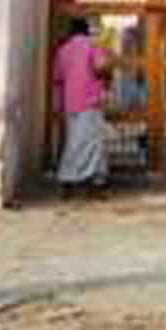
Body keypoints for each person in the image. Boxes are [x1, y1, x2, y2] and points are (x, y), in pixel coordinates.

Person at [53, 18, 113, 198]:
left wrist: (57, 104)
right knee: (92, 144)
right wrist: (108, 75)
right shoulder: (91, 46)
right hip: (89, 102)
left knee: (74, 141)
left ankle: (70, 182)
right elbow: (101, 67)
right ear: (86, 30)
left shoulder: (63, 50)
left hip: (70, 103)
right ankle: (91, 183)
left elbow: (58, 78)